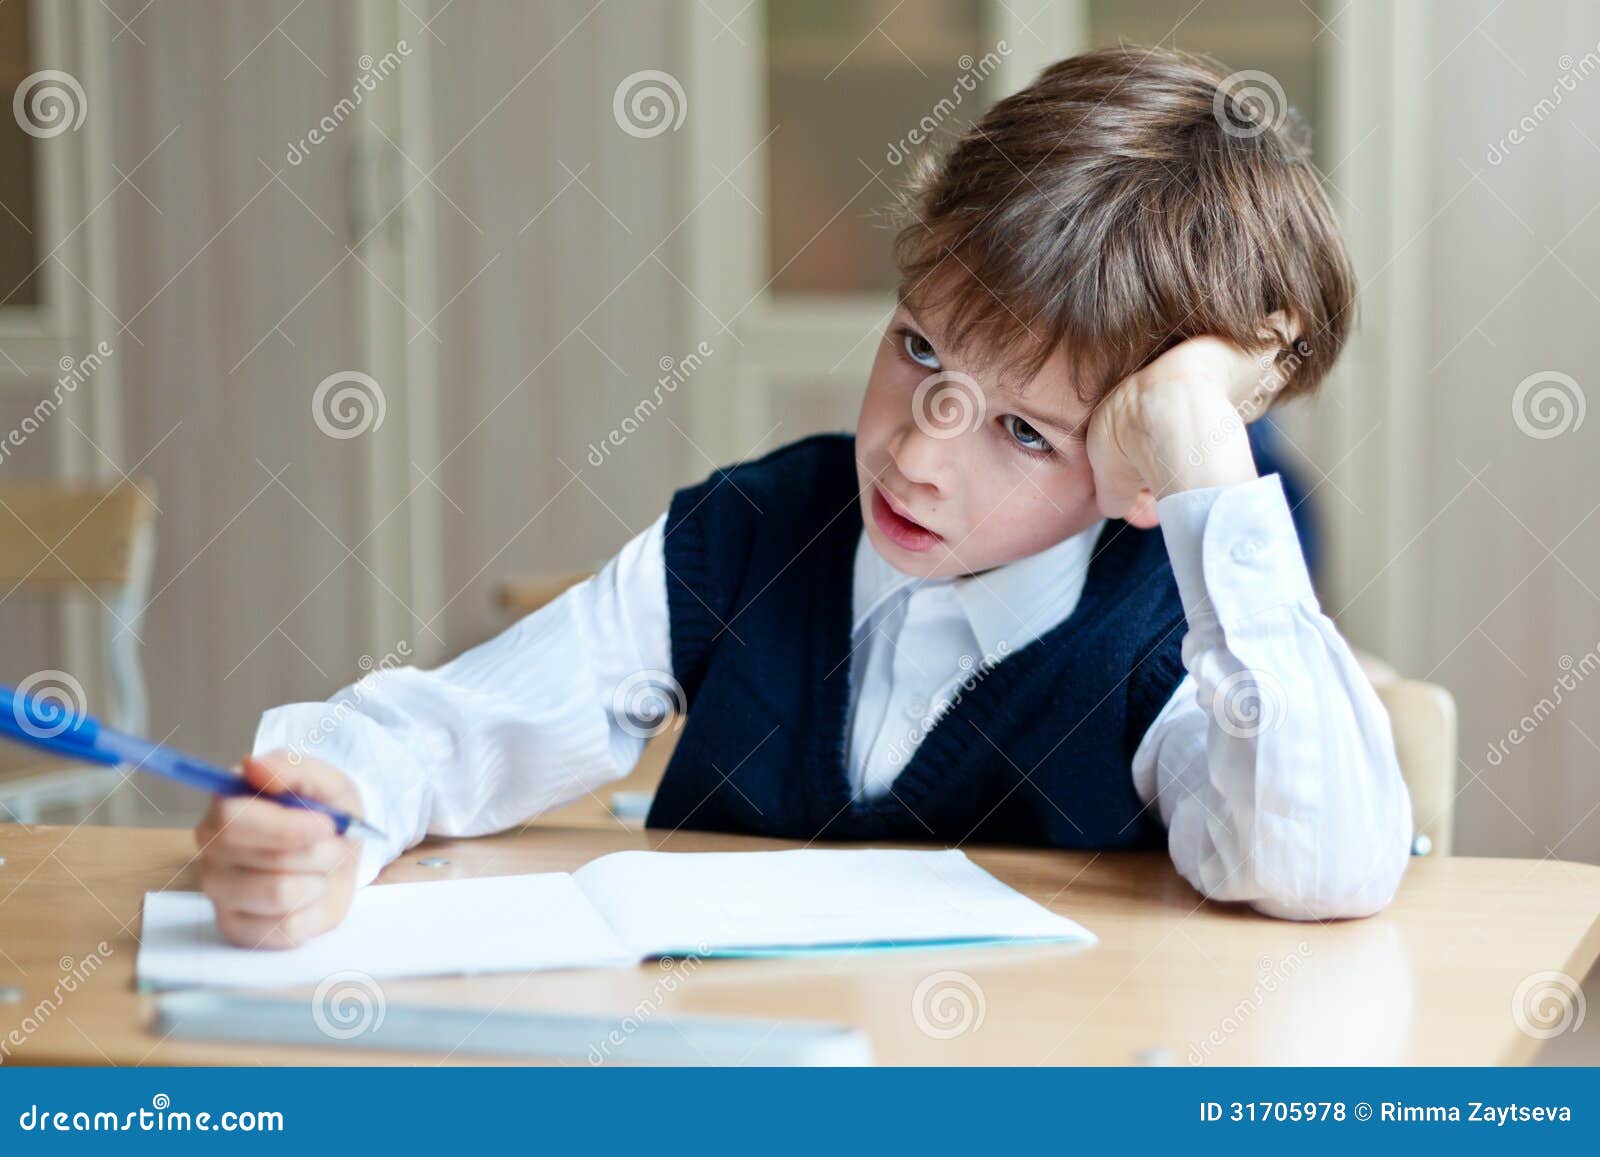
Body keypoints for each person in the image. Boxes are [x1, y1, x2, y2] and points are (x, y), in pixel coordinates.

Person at [195, 46, 1412, 949]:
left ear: (1144, 470)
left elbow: (1316, 862)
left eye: (1024, 432)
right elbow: (450, 729)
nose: (919, 456)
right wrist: (333, 807)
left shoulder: (1161, 636)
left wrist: (1208, 451)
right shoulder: (749, 534)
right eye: (922, 351)